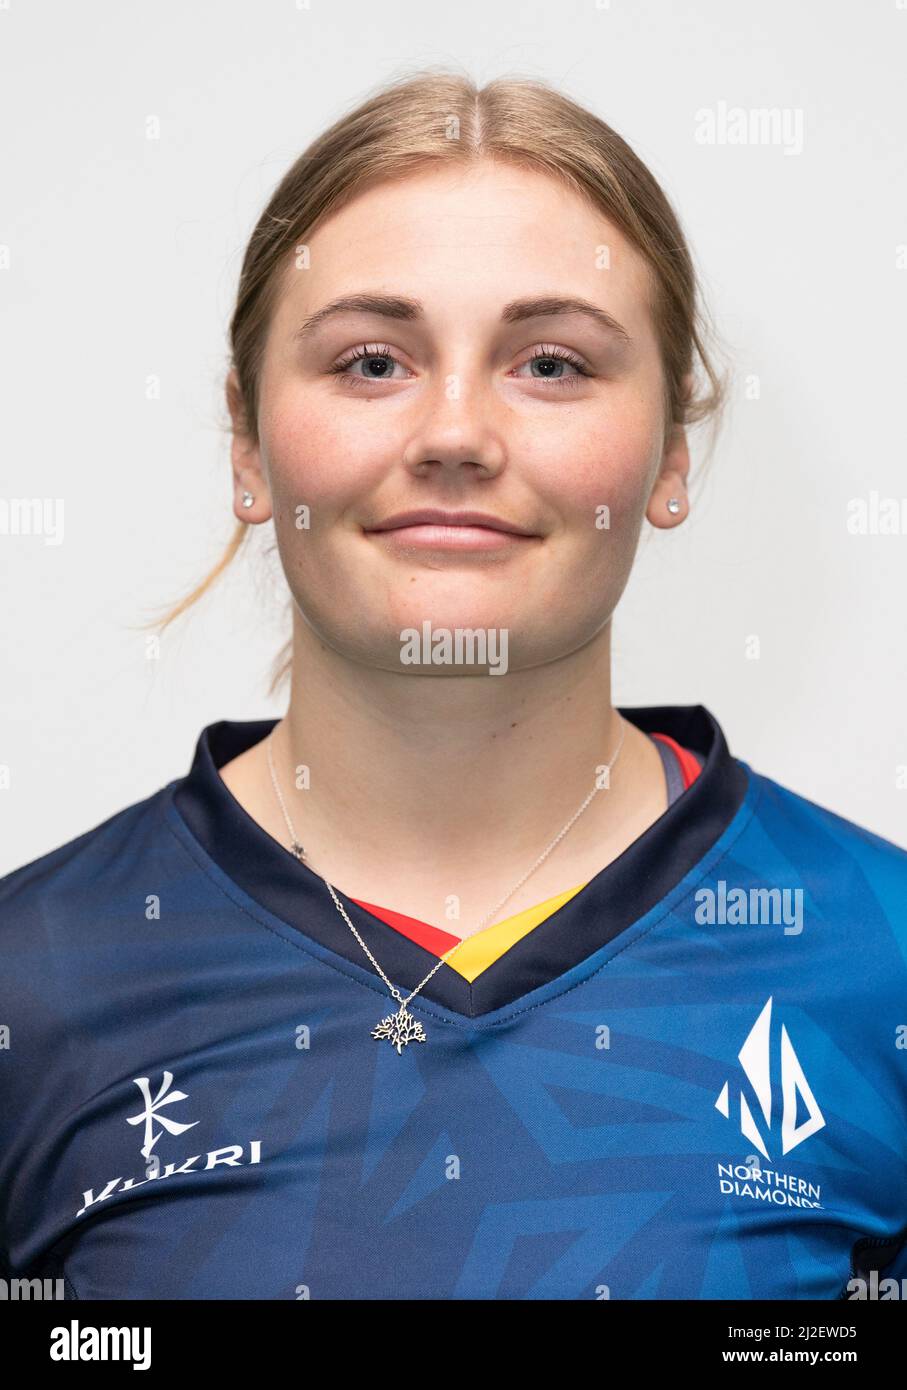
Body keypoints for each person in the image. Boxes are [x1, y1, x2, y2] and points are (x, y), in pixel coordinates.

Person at [1, 70, 905, 1302]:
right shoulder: (34, 980)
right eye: (372, 362)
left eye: (551, 363)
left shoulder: (875, 958)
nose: (456, 433)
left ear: (670, 454)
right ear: (248, 447)